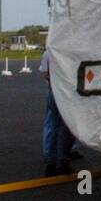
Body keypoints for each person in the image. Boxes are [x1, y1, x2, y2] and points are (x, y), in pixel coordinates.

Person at [40, 47, 76, 176]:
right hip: (64, 94)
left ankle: (50, 162)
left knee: (52, 126)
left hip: (52, 92)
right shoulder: (67, 52)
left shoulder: (48, 53)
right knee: (65, 129)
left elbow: (45, 74)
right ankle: (62, 163)